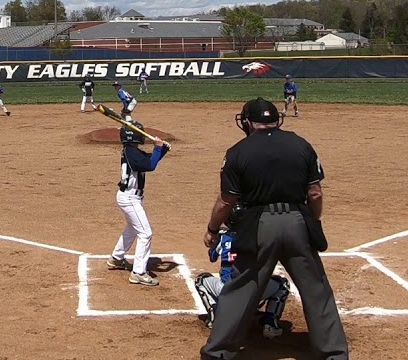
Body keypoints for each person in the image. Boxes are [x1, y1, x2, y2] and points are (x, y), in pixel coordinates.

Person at [200, 98, 348, 360]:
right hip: (298, 222)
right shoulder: (301, 144)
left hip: (259, 226)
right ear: (276, 120)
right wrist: (311, 223)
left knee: (241, 287)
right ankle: (333, 354)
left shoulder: (238, 151)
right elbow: (315, 193)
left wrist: (212, 229)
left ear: (247, 122)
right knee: (316, 289)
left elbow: (226, 201)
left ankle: (219, 352)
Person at [195, 224, 291, 338]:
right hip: (254, 290)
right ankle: (270, 325)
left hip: (227, 290)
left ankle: (215, 318)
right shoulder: (259, 236)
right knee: (282, 285)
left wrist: (217, 242)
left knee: (201, 280)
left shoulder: (223, 237)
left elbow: (212, 257)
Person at [107, 119, 169, 286]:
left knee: (133, 229)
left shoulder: (131, 151)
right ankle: (139, 272)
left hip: (129, 197)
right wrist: (157, 147)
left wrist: (162, 150)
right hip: (129, 198)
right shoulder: (132, 153)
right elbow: (150, 165)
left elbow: (150, 160)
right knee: (145, 233)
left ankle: (116, 258)